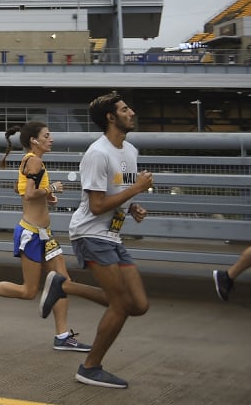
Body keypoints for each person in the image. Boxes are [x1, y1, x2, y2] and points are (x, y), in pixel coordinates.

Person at [0, 122, 105, 352]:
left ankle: (63, 335)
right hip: (32, 234)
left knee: (63, 282)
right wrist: (51, 189)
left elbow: (20, 189)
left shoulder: (30, 160)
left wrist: (46, 197)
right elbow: (28, 195)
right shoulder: (33, 160)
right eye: (47, 136)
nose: (51, 139)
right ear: (35, 140)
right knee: (28, 291)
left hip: (45, 234)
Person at [59, 93, 153, 389]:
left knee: (138, 304)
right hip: (90, 233)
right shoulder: (97, 154)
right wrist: (136, 189)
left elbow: (118, 191)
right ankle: (90, 367)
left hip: (113, 234)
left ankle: (62, 286)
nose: (132, 112)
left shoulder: (130, 151)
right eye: (125, 109)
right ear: (111, 118)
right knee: (120, 304)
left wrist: (131, 205)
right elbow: (97, 205)